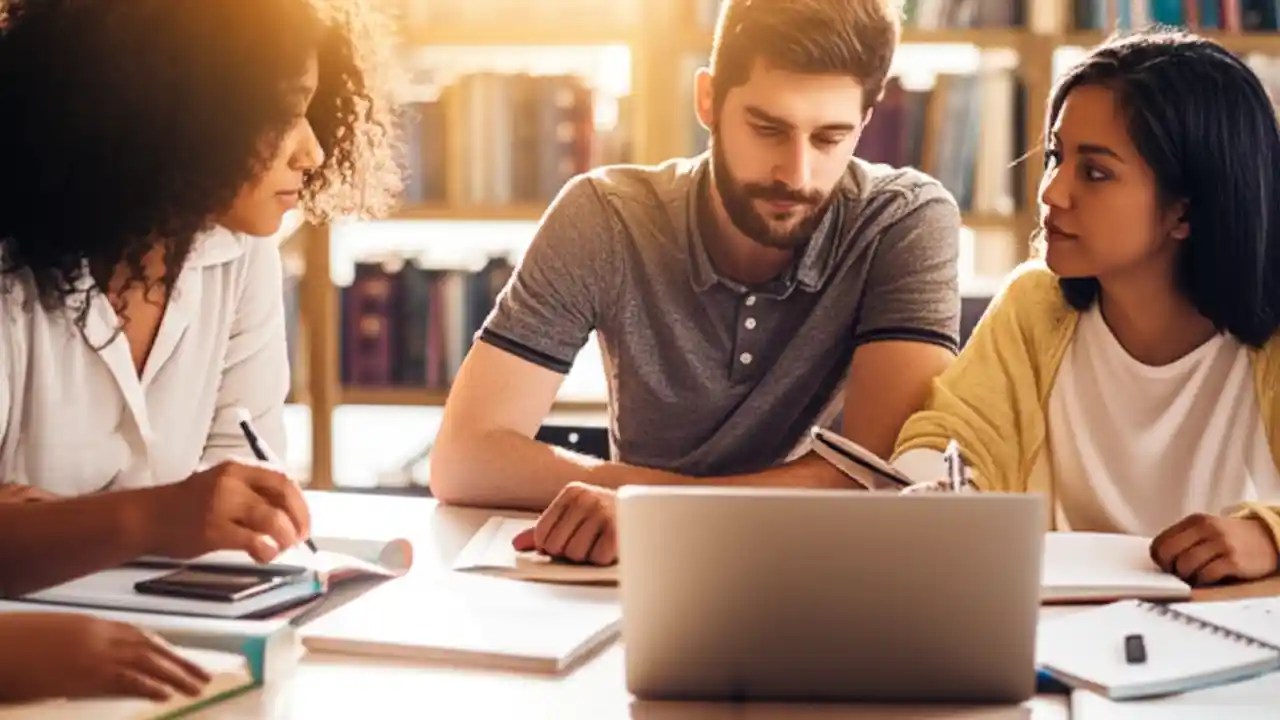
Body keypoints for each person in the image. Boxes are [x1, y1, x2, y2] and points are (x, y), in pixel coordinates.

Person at [430, 0, 962, 565]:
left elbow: (879, 479)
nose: (797, 173)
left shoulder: (904, 221)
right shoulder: (604, 217)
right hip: (635, 575)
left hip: (815, 568)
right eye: (767, 128)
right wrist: (647, 513)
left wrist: (643, 508)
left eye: (830, 137)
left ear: (865, 123)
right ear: (707, 100)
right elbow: (464, 458)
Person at [0, 0, 397, 703]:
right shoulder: (13, 265)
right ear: (173, 105)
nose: (311, 151)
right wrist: (153, 516)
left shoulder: (239, 249)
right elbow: (195, 509)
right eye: (281, 113)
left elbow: (234, 498)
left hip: (151, 657)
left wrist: (51, 524)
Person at [894, 28, 1280, 587]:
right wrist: (928, 490)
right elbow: (952, 435)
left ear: (1185, 212)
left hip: (1233, 647)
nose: (1052, 191)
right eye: (1056, 155)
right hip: (1058, 643)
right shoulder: (1034, 307)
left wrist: (1269, 535)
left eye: (1095, 172)